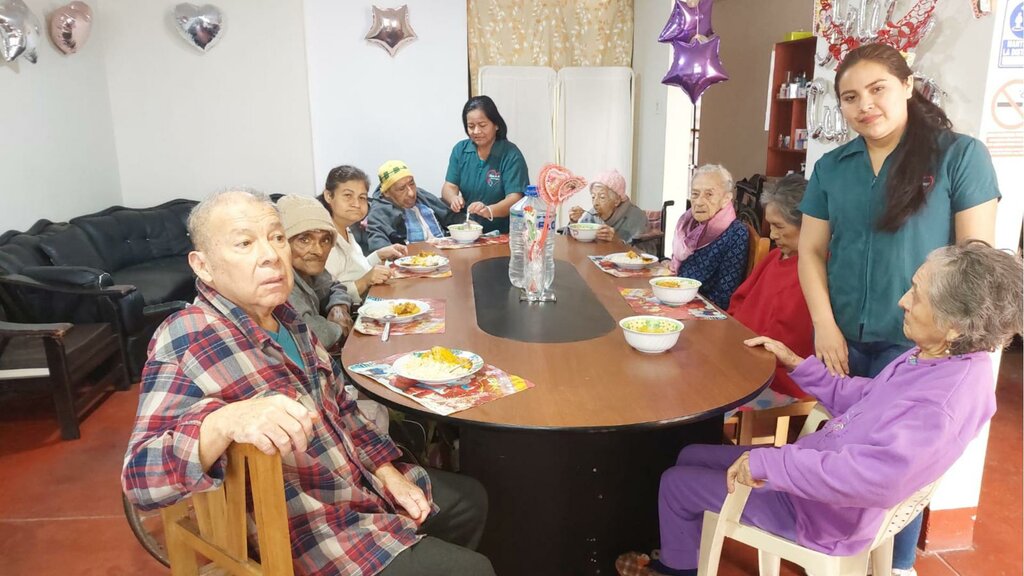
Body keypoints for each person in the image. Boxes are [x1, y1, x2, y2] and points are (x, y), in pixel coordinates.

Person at [121, 190, 495, 576]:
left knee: (472, 501)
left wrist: (387, 473)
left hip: (356, 483)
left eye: (277, 237)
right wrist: (220, 422)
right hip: (308, 530)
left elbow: (344, 409)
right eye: (245, 243)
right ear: (203, 266)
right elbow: (140, 481)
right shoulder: (187, 336)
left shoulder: (289, 320)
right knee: (474, 569)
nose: (271, 255)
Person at [637, 242, 1022, 576]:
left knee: (675, 484)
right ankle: (683, 548)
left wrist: (771, 465)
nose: (903, 300)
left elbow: (875, 478)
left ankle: (676, 568)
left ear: (955, 325)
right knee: (689, 453)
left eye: (917, 295)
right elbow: (870, 400)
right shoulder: (937, 359)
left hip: (823, 515)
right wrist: (798, 364)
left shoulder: (943, 404)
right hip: (816, 474)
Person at [798, 43, 999, 572]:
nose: (865, 105)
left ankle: (896, 565)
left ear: (908, 86)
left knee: (899, 471)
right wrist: (824, 324)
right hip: (841, 339)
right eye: (849, 97)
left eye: (878, 88)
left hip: (919, 348)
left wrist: (946, 348)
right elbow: (811, 251)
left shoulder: (959, 156)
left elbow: (974, 266)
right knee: (843, 454)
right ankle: (827, 553)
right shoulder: (832, 167)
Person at [727, 174, 814, 407]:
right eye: (770, 225)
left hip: (778, 379)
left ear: (807, 224)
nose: (773, 235)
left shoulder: (817, 271)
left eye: (779, 227)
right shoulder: (775, 256)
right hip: (742, 360)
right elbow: (739, 302)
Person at [318, 165, 407, 304]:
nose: (356, 204)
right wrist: (364, 281)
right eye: (348, 195)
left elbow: (357, 268)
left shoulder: (345, 228)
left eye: (362, 197)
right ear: (329, 196)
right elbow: (325, 299)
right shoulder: (323, 241)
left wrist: (379, 255)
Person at [440, 95, 529, 234]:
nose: (476, 131)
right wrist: (453, 198)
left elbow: (515, 198)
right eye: (471, 126)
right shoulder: (461, 150)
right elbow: (449, 186)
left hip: (503, 233)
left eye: (482, 125)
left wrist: (489, 210)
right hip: (469, 230)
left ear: (496, 124)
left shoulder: (511, 154)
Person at [277, 194, 354, 351]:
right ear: (283, 242)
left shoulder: (309, 268)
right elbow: (316, 336)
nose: (318, 251)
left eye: (325, 240)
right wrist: (338, 328)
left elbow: (334, 287)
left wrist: (338, 306)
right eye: (304, 240)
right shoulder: (281, 282)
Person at [670, 164, 749, 309]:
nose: (699, 202)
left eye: (709, 194)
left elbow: (723, 296)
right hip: (676, 296)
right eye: (695, 194)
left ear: (726, 199)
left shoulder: (736, 233)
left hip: (702, 309)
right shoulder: (688, 223)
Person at [367, 160, 462, 253]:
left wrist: (469, 223)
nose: (411, 193)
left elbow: (451, 217)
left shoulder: (421, 195)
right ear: (386, 193)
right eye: (401, 188)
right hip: (413, 261)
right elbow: (379, 246)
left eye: (412, 184)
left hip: (446, 252)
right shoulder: (379, 211)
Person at [568, 169, 651, 246]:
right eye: (593, 197)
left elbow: (647, 252)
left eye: (602, 197)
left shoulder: (636, 216)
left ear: (617, 200)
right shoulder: (593, 213)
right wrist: (573, 222)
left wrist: (618, 241)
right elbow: (573, 242)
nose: (595, 202)